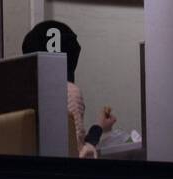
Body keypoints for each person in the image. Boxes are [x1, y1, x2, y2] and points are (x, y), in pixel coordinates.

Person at [20, 21, 116, 158]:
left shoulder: (21, 91)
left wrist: (99, 128)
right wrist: (98, 130)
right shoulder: (69, 92)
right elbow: (78, 154)